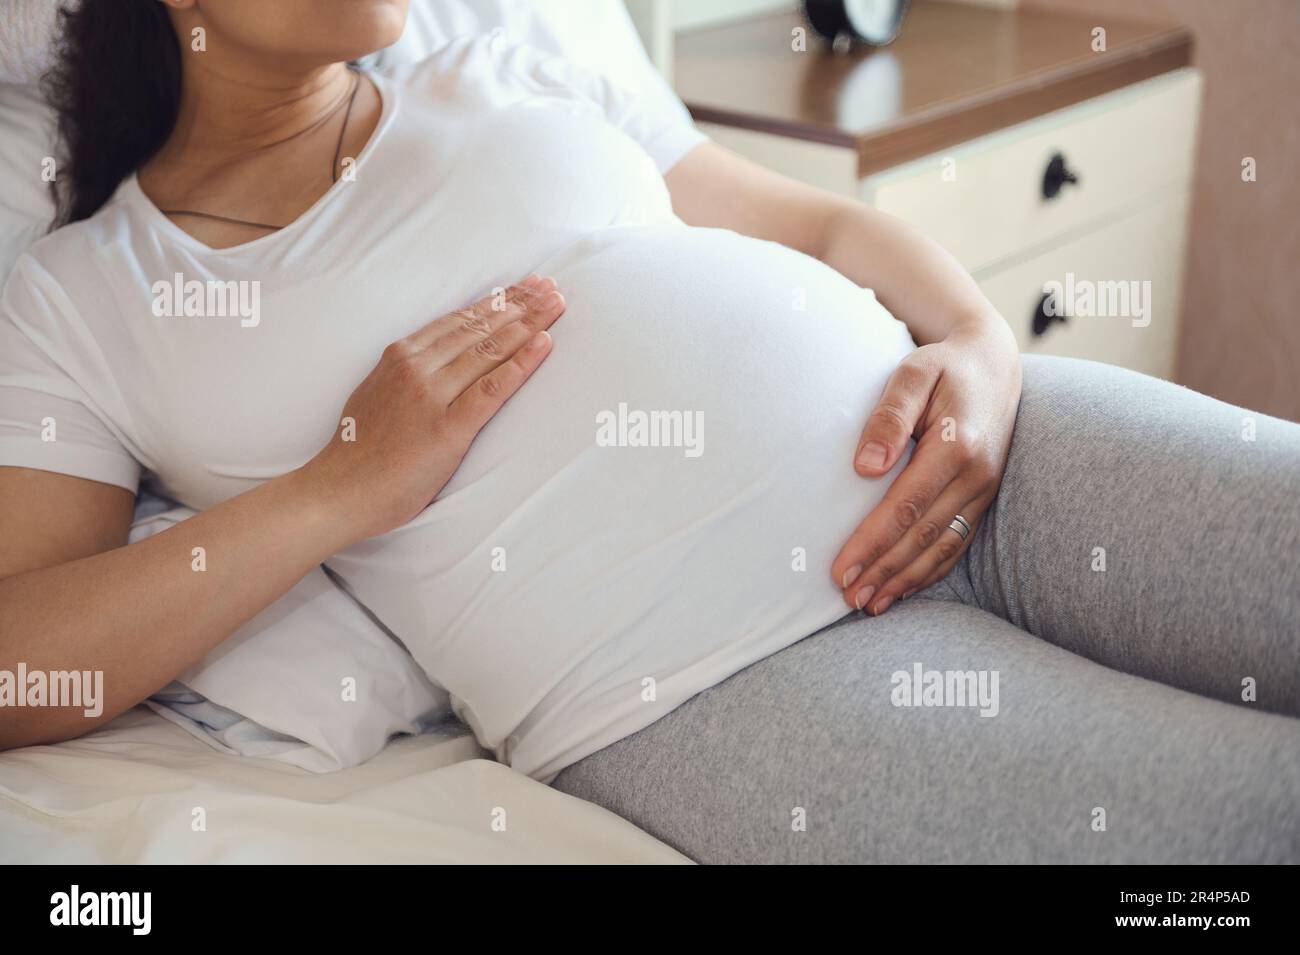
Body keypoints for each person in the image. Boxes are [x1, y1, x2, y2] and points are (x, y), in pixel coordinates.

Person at [0, 0, 1296, 863]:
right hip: (727, 678)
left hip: (999, 452)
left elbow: (819, 223)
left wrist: (976, 340)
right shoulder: (82, 297)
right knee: (1245, 823)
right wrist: (340, 487)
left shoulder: (492, 57)